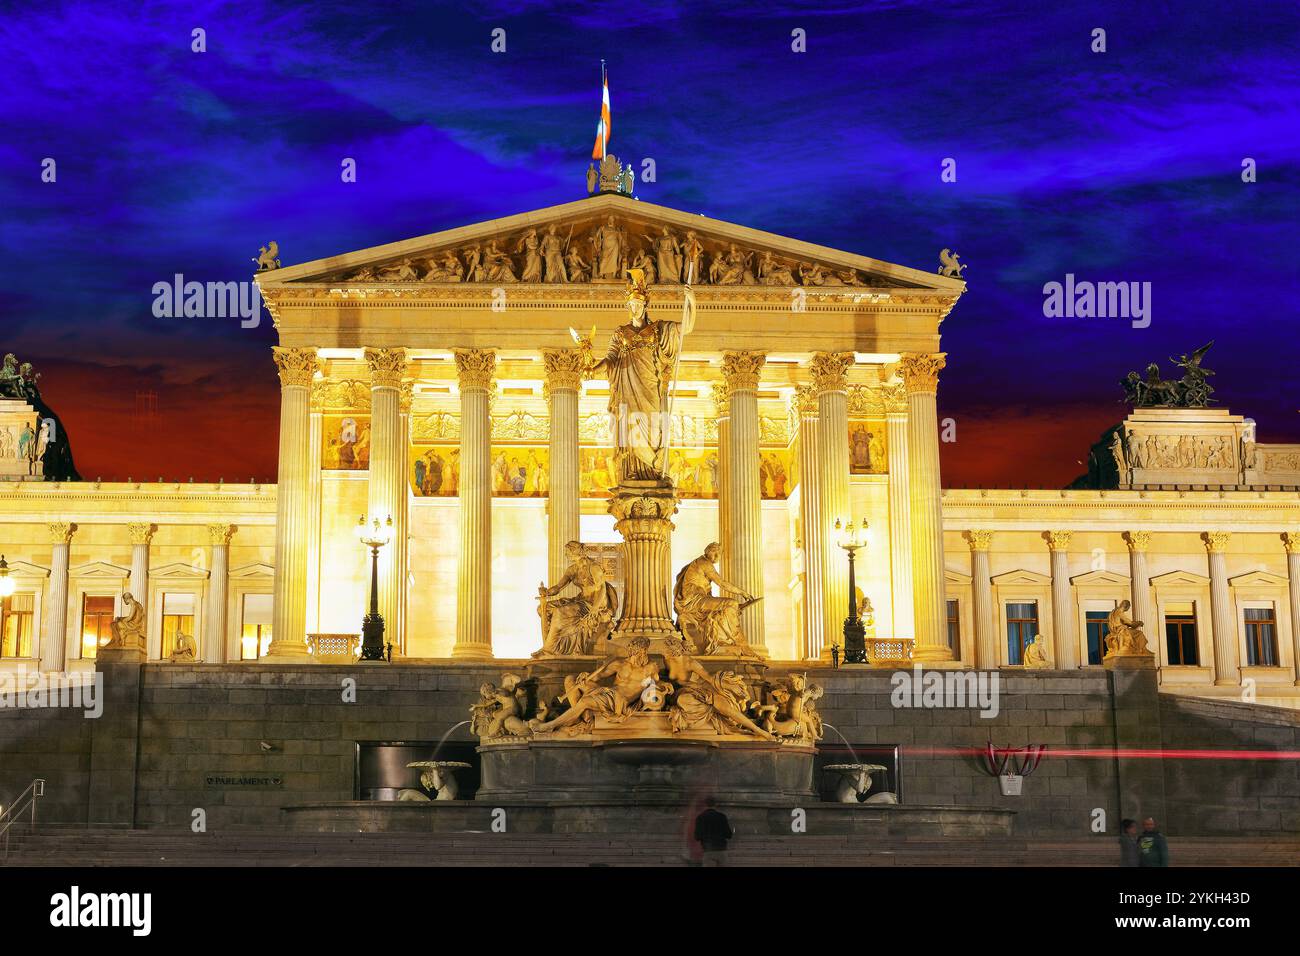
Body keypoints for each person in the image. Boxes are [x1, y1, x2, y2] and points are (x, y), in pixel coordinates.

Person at [693, 796, 734, 867]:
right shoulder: (722, 816)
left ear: (705, 804)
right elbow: (729, 835)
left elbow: (697, 837)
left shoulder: (700, 817)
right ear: (716, 804)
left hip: (708, 851)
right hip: (721, 850)